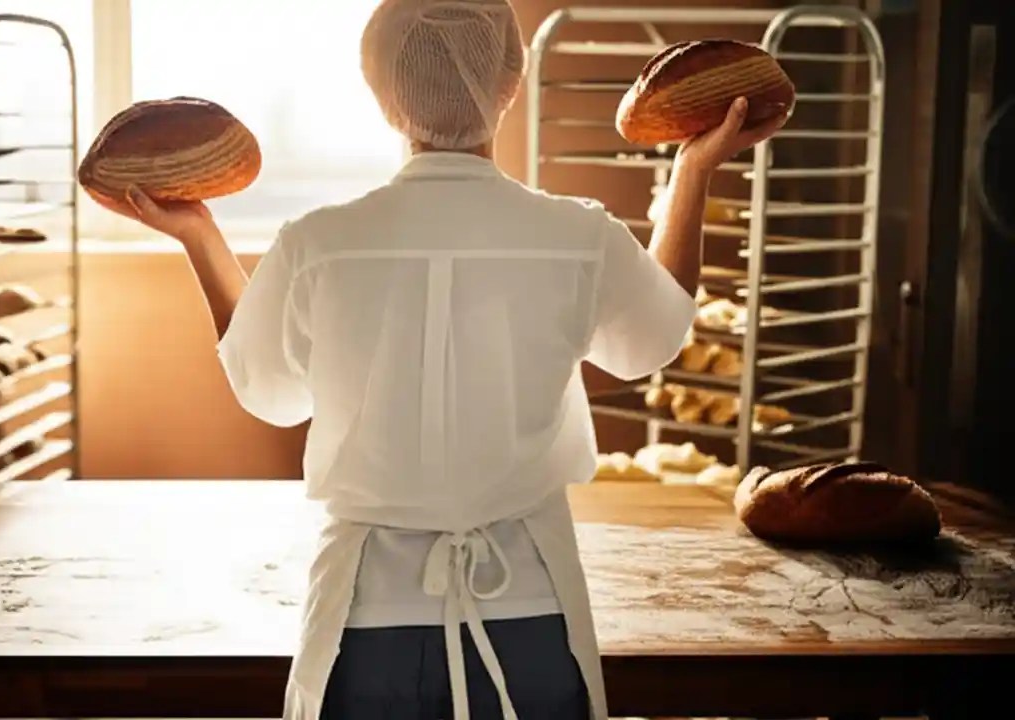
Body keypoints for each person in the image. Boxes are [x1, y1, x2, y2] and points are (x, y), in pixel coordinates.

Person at [119, 1, 786, 717]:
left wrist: (199, 239)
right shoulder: (576, 234)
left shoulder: (318, 241)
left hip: (362, 614)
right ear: (510, 85)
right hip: (530, 602)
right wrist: (692, 173)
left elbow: (269, 392)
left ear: (378, 97)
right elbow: (651, 342)